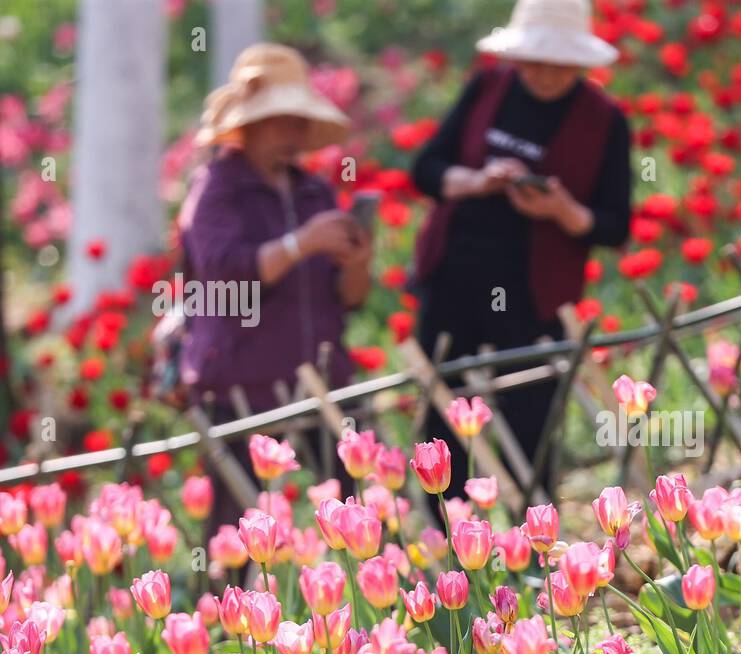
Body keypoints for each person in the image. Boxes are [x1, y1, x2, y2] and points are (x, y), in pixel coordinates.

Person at [411, 0, 631, 498]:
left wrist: (561, 210)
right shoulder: (487, 89)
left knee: (531, 415)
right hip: (456, 276)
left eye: (559, 63)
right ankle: (447, 542)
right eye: (535, 61)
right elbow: (426, 169)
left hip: (532, 291)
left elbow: (615, 225)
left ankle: (534, 545)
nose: (545, 74)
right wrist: (478, 180)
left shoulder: (604, 120)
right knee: (444, 414)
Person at [178, 43, 372, 537]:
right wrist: (300, 243)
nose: (294, 134)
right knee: (235, 534)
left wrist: (357, 262)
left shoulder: (314, 190)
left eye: (298, 121)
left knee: (357, 522)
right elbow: (223, 276)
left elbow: (348, 297)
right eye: (280, 120)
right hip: (242, 382)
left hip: (322, 377)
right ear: (248, 124)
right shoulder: (216, 189)